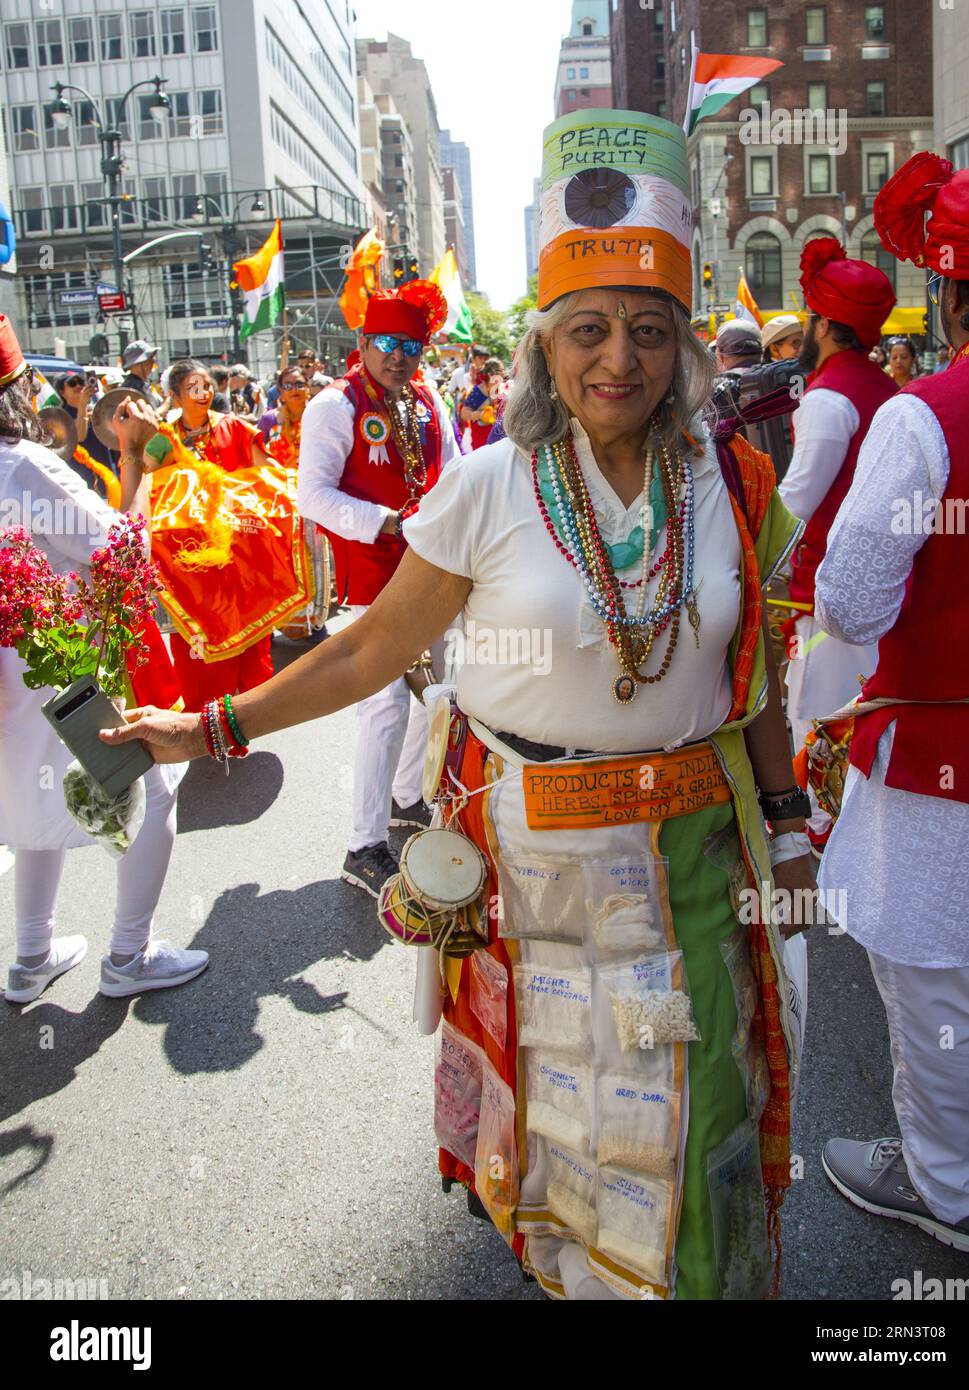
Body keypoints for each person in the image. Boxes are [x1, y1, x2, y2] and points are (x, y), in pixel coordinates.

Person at [104, 108, 814, 1302]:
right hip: (531, 871)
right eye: (588, 330)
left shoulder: (735, 485)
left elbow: (756, 681)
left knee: (696, 1139)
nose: (619, 361)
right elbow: (371, 648)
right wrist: (212, 726)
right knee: (573, 1148)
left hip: (699, 855)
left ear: (685, 349)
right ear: (543, 349)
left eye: (648, 331)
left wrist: (788, 825)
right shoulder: (488, 484)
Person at [817, 152, 969, 1255]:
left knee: (941, 982)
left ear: (956, 294)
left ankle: (954, 1184)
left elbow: (849, 595)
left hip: (948, 757)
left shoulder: (924, 417)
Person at [0, 315, 207, 1003]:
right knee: (152, 785)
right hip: (58, 669)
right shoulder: (24, 465)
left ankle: (32, 956)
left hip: (15, 679)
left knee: (29, 793)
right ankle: (131, 955)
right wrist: (139, 463)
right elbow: (120, 549)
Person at [295, 280, 459, 895]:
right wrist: (386, 521)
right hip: (372, 581)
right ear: (363, 343)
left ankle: (406, 796)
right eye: (386, 343)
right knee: (385, 705)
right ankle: (363, 845)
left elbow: (460, 469)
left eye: (411, 346)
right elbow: (312, 495)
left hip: (436, 572)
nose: (398, 356)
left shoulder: (427, 399)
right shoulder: (334, 406)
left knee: (441, 690)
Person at [778, 239, 897, 849]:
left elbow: (794, 504)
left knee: (816, 715)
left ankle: (830, 833)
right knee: (861, 709)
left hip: (828, 591)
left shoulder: (828, 397)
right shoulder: (886, 389)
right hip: (881, 585)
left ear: (823, 323)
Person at [118, 359, 307, 711]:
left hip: (240, 557)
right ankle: (203, 720)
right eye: (193, 388)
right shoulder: (162, 439)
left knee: (249, 634)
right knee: (197, 645)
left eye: (207, 385)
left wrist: (301, 487)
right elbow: (147, 485)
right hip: (190, 568)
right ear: (174, 396)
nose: (204, 393)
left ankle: (248, 713)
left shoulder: (234, 428)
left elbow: (266, 476)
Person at [257, 366, 309, 459]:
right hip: (279, 472)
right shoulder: (269, 418)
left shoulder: (316, 415)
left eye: (299, 384)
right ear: (281, 390)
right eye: (288, 386)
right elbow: (257, 452)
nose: (294, 389)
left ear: (307, 387)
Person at [459, 356, 505, 450]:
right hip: (481, 438)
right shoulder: (478, 391)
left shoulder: (502, 390)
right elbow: (464, 413)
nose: (503, 375)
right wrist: (478, 415)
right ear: (490, 375)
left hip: (499, 438)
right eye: (500, 372)